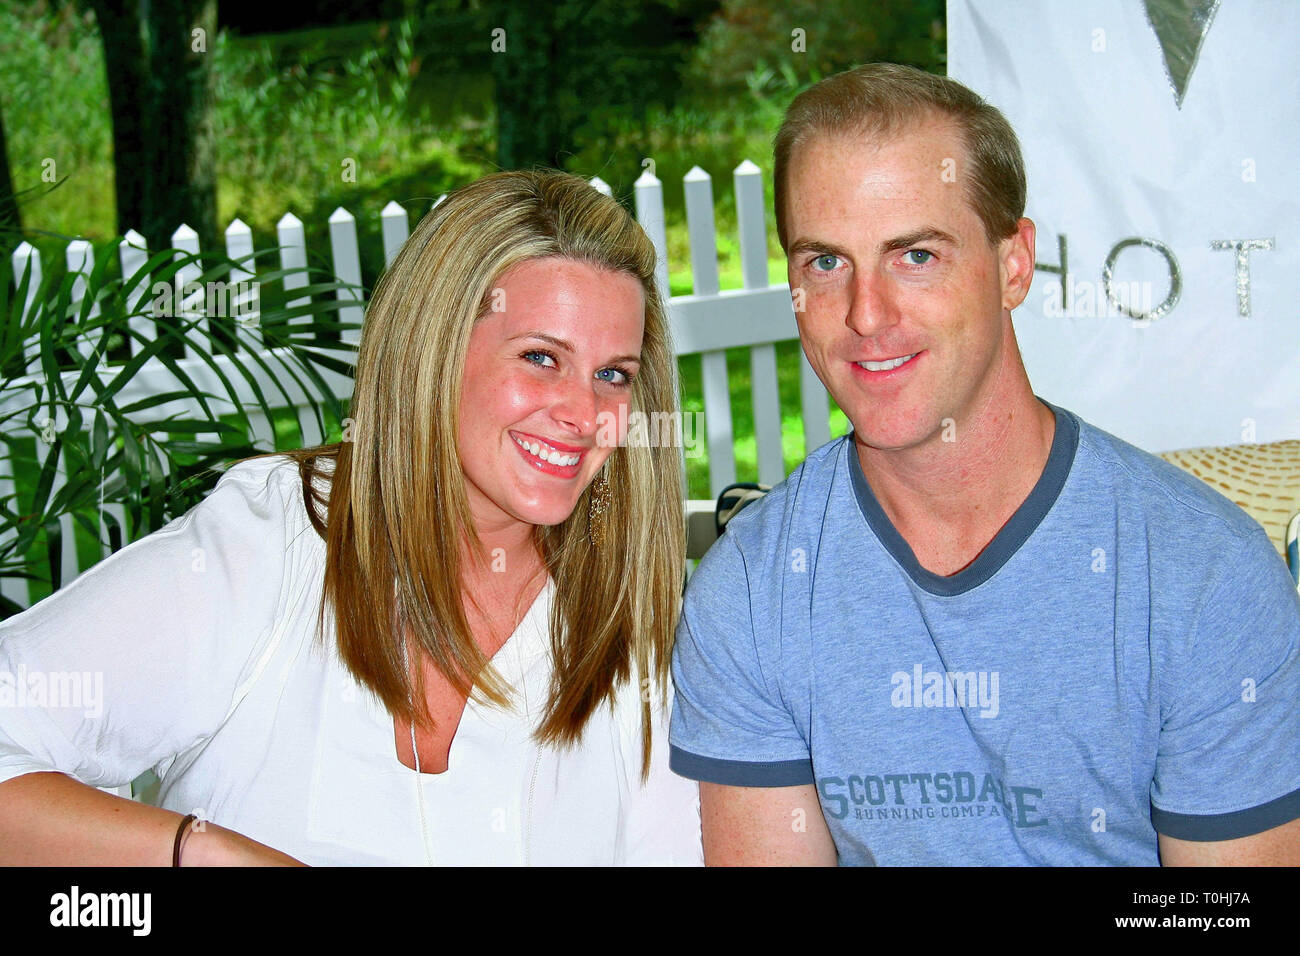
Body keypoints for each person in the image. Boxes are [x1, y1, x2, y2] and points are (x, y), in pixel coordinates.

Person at [668, 64, 1300, 866]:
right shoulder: (754, 591)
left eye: (915, 255)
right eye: (825, 263)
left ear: (1013, 265)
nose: (866, 314)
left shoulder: (1204, 579)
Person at [0, 169, 703, 866]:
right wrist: (204, 854)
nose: (584, 413)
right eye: (541, 357)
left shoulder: (625, 622)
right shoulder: (275, 544)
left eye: (613, 375)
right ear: (432, 351)